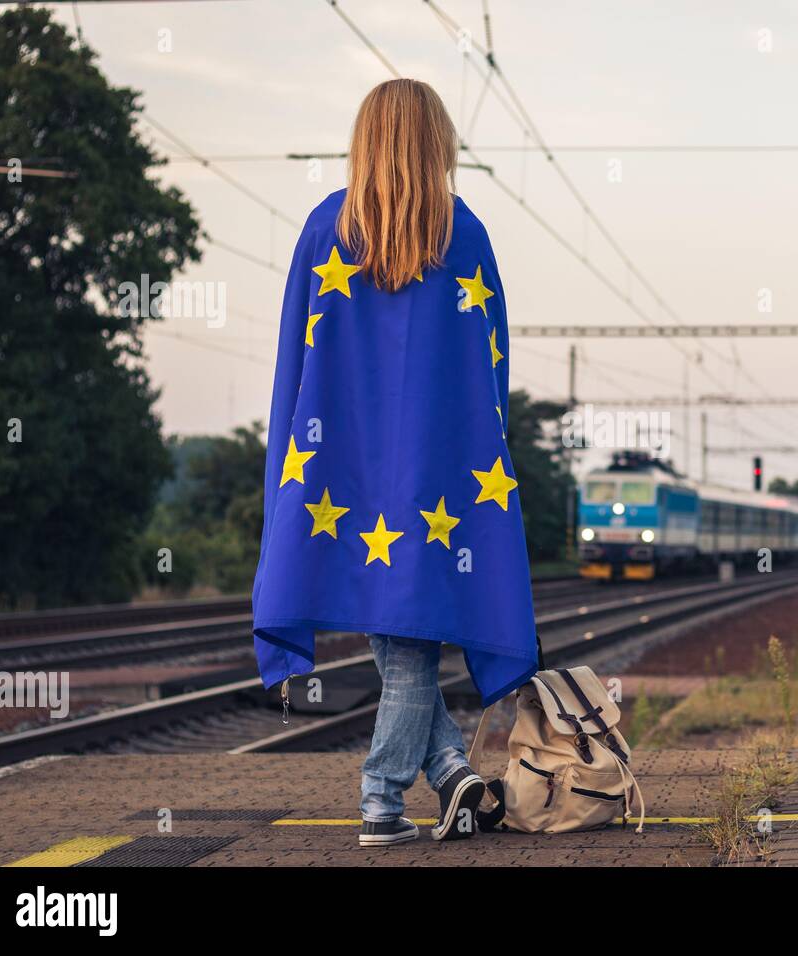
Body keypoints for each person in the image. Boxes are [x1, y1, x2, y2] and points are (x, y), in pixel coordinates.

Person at [250, 79, 537, 848]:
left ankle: (448, 773)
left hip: (341, 478)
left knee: (399, 634)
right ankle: (381, 801)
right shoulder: (463, 233)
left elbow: (294, 360)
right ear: (435, 142)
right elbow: (490, 368)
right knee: (408, 638)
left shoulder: (324, 229)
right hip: (435, 482)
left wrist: (293, 463)